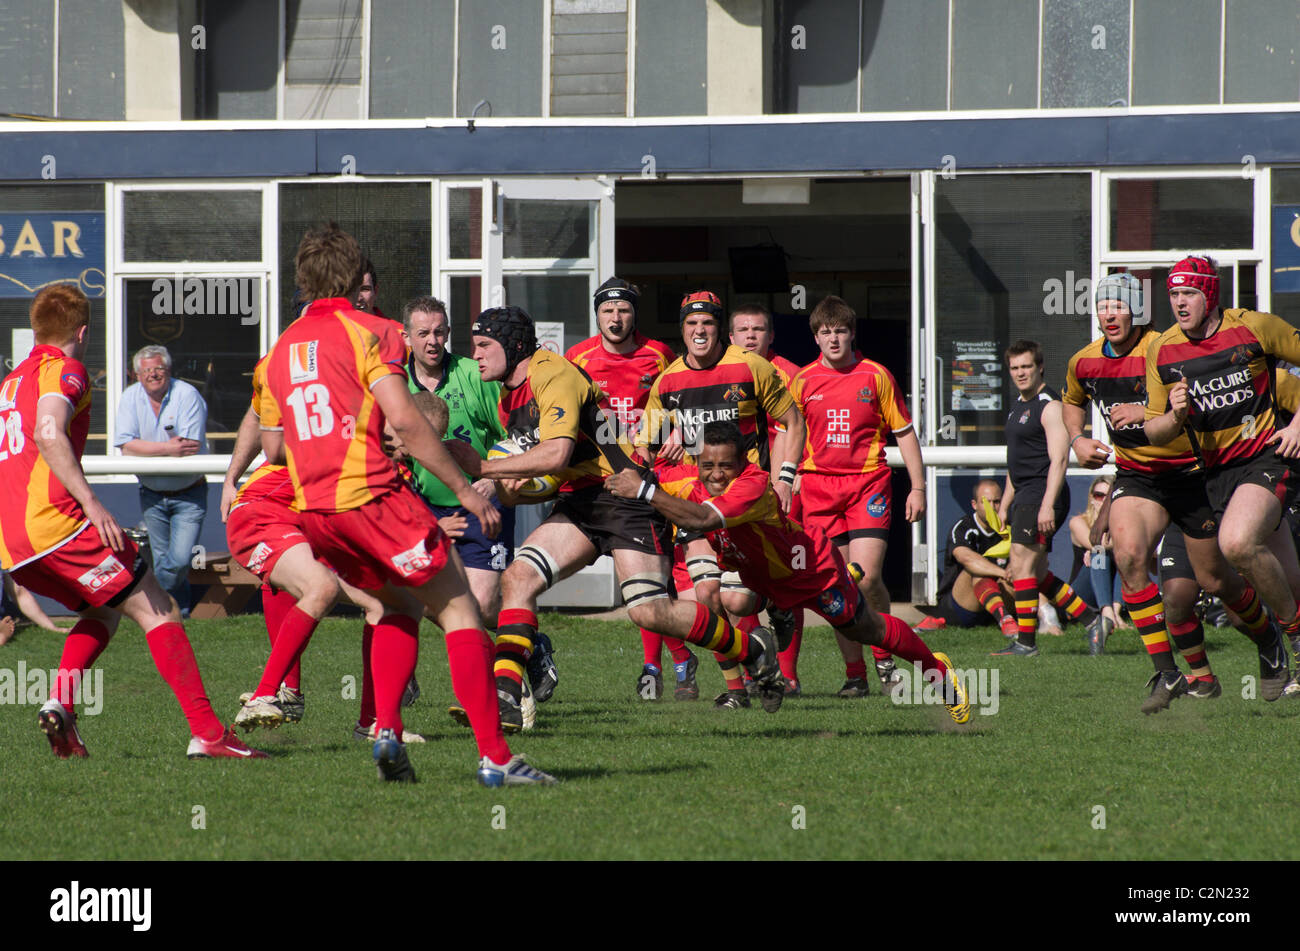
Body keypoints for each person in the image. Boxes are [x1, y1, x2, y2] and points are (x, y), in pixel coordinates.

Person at [259, 223, 553, 786]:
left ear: (302, 280)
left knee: (398, 607)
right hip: (372, 498)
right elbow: (406, 418)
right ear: (353, 277)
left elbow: (274, 445)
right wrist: (467, 490)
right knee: (459, 610)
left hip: (317, 515)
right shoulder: (375, 332)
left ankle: (387, 731)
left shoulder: (280, 349)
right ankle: (495, 759)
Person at [446, 304, 784, 730]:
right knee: (518, 578)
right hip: (581, 501)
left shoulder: (554, 374)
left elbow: (557, 452)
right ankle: (506, 694)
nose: (474, 355)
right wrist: (508, 489)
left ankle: (751, 650)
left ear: (513, 346)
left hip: (624, 496)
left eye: (483, 345)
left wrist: (484, 469)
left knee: (648, 611)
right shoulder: (508, 401)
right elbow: (551, 476)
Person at [0, 283, 263, 760]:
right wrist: (93, 504)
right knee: (158, 608)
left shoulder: (12, 380)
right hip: (54, 523)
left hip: (14, 543)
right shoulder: (66, 369)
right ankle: (208, 732)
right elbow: (46, 432)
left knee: (101, 611)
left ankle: (61, 703)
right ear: (82, 332)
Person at [605, 421, 969, 725]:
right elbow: (640, 476)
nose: (716, 475)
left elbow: (697, 516)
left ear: (743, 461)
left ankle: (936, 670)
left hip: (810, 572)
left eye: (726, 466)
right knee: (723, 600)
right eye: (708, 465)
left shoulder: (752, 485)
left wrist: (643, 490)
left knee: (865, 627)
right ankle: (759, 668)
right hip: (759, 580)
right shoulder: (693, 482)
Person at [633, 291, 804, 702]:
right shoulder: (668, 381)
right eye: (691, 324)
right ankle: (736, 690)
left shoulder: (751, 367)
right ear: (682, 330)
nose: (699, 331)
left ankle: (774, 603)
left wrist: (783, 479)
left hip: (744, 500)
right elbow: (643, 448)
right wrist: (659, 448)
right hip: (694, 504)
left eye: (707, 323)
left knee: (739, 601)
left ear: (719, 328)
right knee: (708, 598)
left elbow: (792, 420)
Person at [1143, 255, 1298, 699]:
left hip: (1267, 457)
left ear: (1209, 293)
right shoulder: (1163, 349)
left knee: (1236, 543)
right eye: (1173, 294)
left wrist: (1298, 424)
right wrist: (1173, 417)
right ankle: (1276, 640)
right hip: (1211, 476)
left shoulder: (1252, 326)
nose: (1179, 303)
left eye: (1188, 293)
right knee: (1274, 577)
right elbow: (1153, 428)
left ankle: (1291, 642)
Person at [789, 295, 923, 695]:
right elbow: (789, 436)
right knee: (834, 587)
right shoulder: (802, 381)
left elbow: (904, 432)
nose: (833, 339)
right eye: (826, 332)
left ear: (852, 334)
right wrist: (786, 476)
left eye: (841, 331)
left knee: (866, 578)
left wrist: (917, 486)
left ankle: (883, 660)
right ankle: (854, 674)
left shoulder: (875, 375)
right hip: (818, 490)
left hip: (867, 484)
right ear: (815, 337)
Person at [565, 278, 683, 701]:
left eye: (624, 310)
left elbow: (677, 404)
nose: (616, 318)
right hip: (591, 483)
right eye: (608, 310)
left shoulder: (659, 355)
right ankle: (678, 660)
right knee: (640, 582)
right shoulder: (576, 358)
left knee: (650, 582)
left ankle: (656, 667)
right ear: (597, 314)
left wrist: (677, 434)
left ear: (635, 315)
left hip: (642, 479)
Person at [993, 339, 1101, 657]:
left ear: (1039, 366)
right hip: (1025, 494)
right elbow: (1016, 463)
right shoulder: (1018, 406)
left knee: (1021, 565)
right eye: (1014, 368)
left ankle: (1026, 643)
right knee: (1036, 574)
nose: (1020, 373)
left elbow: (1060, 459)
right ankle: (1092, 620)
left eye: (1026, 366)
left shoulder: (1049, 405)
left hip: (1043, 493)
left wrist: (1047, 504)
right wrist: (1004, 504)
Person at [728, 303, 807, 694]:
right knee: (738, 583)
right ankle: (755, 670)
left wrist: (787, 482)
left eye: (758, 329)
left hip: (784, 489)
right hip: (736, 492)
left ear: (771, 336)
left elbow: (797, 432)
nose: (750, 336)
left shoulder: (791, 374)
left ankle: (788, 675)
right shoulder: (722, 371)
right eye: (742, 329)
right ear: (731, 337)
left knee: (786, 581)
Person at [115, 345, 209, 614]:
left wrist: (143, 447)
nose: (153, 375)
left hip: (189, 494)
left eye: (159, 369)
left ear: (169, 371)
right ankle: (179, 614)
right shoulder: (130, 397)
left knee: (178, 561)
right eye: (147, 370)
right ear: (136, 374)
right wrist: (168, 448)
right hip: (151, 493)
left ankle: (146, 603)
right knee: (163, 559)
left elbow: (189, 447)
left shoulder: (187, 395)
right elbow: (125, 445)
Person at [923, 478, 1019, 638]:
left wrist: (1014, 568)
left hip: (994, 599)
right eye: (986, 502)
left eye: (997, 502)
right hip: (959, 606)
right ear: (974, 505)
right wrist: (1002, 573)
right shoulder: (962, 528)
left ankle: (1049, 617)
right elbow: (966, 558)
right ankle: (1005, 619)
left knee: (1025, 571)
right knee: (975, 569)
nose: (993, 507)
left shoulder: (1010, 527)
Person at [1067, 476, 1124, 636]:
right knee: (1100, 553)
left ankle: (1115, 611)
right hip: (1084, 591)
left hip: (1114, 588)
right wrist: (1122, 541)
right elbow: (1097, 544)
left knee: (1124, 556)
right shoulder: (1078, 522)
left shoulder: (1121, 525)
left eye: (1109, 497)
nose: (1104, 501)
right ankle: (1107, 613)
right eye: (1099, 495)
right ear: (1091, 498)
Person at [353, 255, 387, 319]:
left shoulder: (393, 328)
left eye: (365, 289)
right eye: (353, 290)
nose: (359, 298)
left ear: (375, 291)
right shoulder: (330, 328)